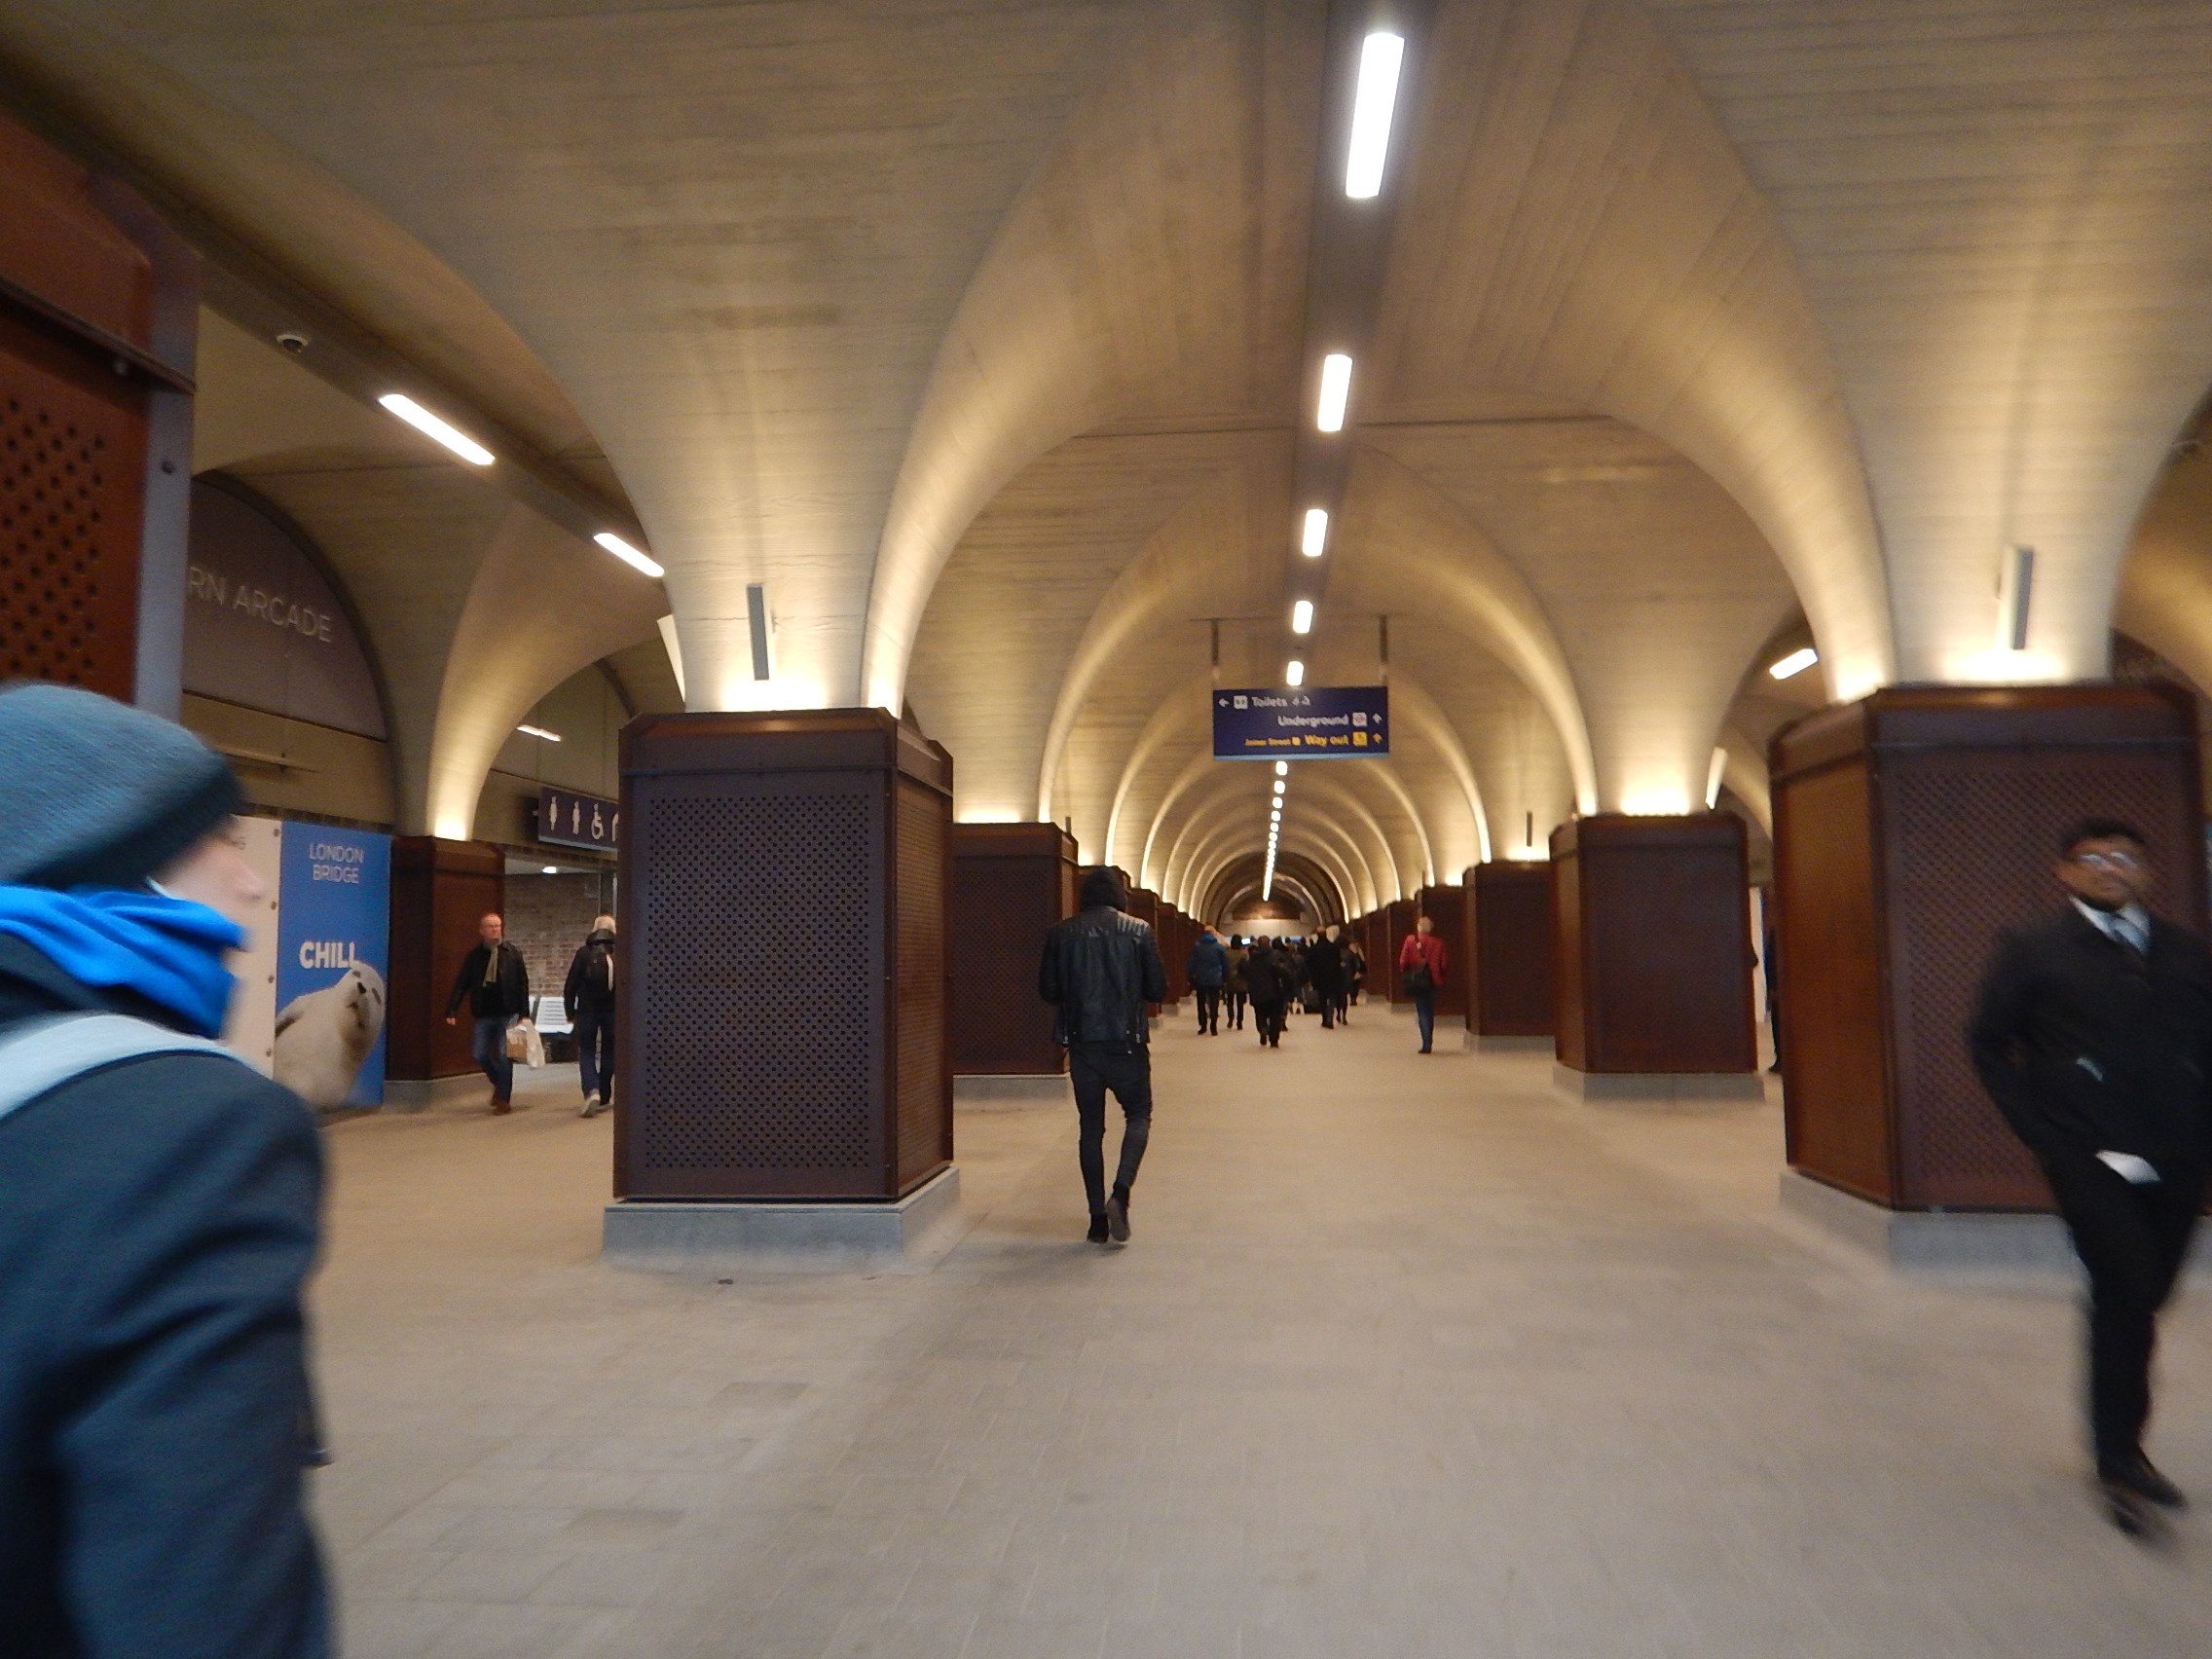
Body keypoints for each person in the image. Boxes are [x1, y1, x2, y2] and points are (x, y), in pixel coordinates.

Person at [0, 682, 329, 1657]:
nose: (254, 881)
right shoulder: (186, 1131)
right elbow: (202, 1594)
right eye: (220, 838)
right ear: (117, 866)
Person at [1969, 818, 2212, 1536]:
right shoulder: (2033, 950)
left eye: (2127, 858)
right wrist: (2041, 1133)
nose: (2112, 869)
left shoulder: (2186, 951)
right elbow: (1988, 1043)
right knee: (2126, 1286)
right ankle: (2119, 1455)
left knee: (2146, 1293)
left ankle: (2118, 1440)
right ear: (2066, 872)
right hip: (2088, 1155)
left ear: (2147, 871)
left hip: (2177, 1153)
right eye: (2095, 859)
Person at [1038, 867, 1168, 1244]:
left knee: (1090, 1130)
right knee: (1139, 1115)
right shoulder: (1139, 931)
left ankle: (1096, 1218)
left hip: (1082, 1046)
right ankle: (1121, 1193)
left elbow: (1048, 990)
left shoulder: (1061, 933)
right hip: (1127, 1043)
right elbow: (1157, 987)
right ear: (1120, 896)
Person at [444, 912, 531, 1113]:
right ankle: (498, 1083)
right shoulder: (475, 957)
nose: (495, 930)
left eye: (498, 926)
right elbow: (462, 984)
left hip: (509, 1012)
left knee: (503, 1054)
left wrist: (524, 1014)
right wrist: (452, 1009)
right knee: (479, 1053)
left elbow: (522, 984)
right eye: (491, 926)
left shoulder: (512, 954)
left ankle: (503, 1100)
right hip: (484, 1013)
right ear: (481, 930)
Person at [564, 913, 618, 1116]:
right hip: (613, 1011)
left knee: (586, 1051)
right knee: (609, 1051)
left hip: (586, 1010)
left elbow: (571, 985)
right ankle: (604, 1095)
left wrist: (570, 1012)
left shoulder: (583, 953)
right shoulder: (620, 953)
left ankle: (591, 1090)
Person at [1399, 913, 1449, 1053]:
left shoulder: (1410, 941)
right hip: (1434, 980)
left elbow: (1403, 961)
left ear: (1418, 927)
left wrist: (1407, 973)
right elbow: (1444, 964)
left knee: (1422, 1010)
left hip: (1418, 980)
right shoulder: (1439, 943)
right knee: (1429, 1009)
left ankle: (1426, 1043)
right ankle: (1429, 1039)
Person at [1244, 937, 1292, 1048]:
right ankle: (1274, 1039)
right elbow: (1283, 971)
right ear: (1269, 943)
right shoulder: (1276, 955)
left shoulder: (1252, 957)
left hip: (1257, 991)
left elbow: (1247, 972)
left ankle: (1263, 1028)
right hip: (1274, 990)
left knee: (1260, 1013)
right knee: (1275, 1015)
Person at [1187, 925, 1228, 1036]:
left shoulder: (1197, 947)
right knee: (1214, 1003)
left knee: (1201, 1002)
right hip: (1215, 978)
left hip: (1200, 978)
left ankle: (1203, 1025)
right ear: (1213, 934)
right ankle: (1213, 1026)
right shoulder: (1219, 947)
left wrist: (1190, 977)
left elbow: (1192, 963)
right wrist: (1225, 978)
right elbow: (1225, 964)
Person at [1306, 925, 1345, 1030]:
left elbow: (1309, 964)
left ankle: (1324, 1019)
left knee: (1322, 999)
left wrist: (1311, 978)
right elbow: (1338, 962)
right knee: (1332, 998)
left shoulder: (1313, 949)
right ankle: (1330, 1017)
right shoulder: (1333, 947)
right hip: (1333, 977)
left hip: (1319, 978)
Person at [1225, 937, 1249, 1030]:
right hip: (1241, 981)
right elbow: (1247, 967)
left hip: (1229, 980)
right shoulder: (1244, 954)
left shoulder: (1227, 954)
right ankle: (1239, 1021)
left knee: (1230, 1002)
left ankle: (1230, 1018)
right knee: (1240, 1004)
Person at [1345, 935, 1366, 1011]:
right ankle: (1353, 998)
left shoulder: (1357, 951)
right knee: (1353, 985)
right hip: (1353, 969)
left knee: (1356, 984)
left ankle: (1354, 998)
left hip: (1357, 970)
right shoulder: (1350, 952)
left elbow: (1362, 961)